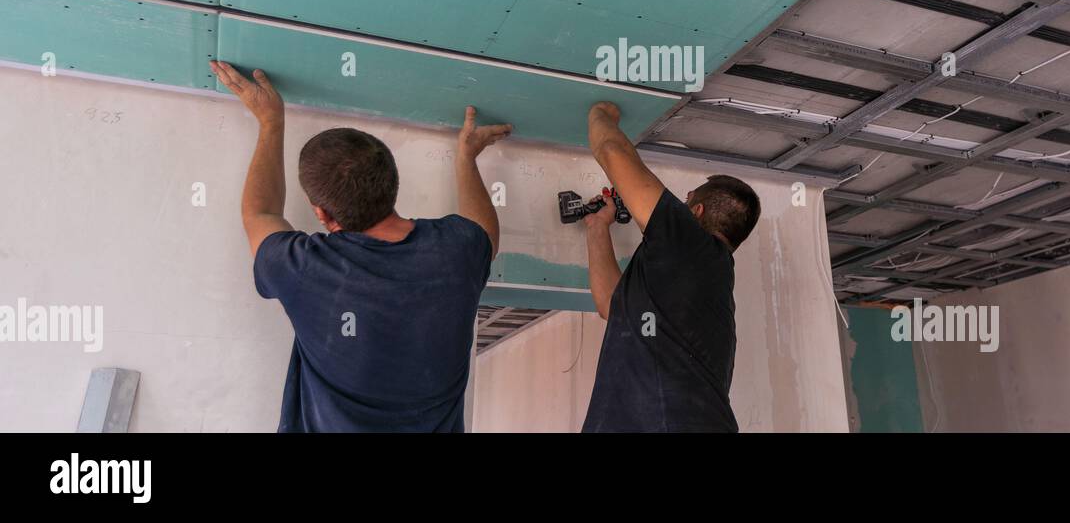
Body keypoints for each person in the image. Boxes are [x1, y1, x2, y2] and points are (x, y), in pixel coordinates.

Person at [209, 60, 511, 432]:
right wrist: (467, 158)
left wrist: (271, 123)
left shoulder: (306, 269)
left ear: (322, 214)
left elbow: (260, 212)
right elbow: (483, 229)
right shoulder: (455, 252)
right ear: (394, 183)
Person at [580, 100, 761, 432]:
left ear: (696, 213)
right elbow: (619, 308)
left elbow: (611, 150)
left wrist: (601, 113)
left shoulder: (695, 252)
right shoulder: (705, 275)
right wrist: (598, 228)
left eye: (687, 198)